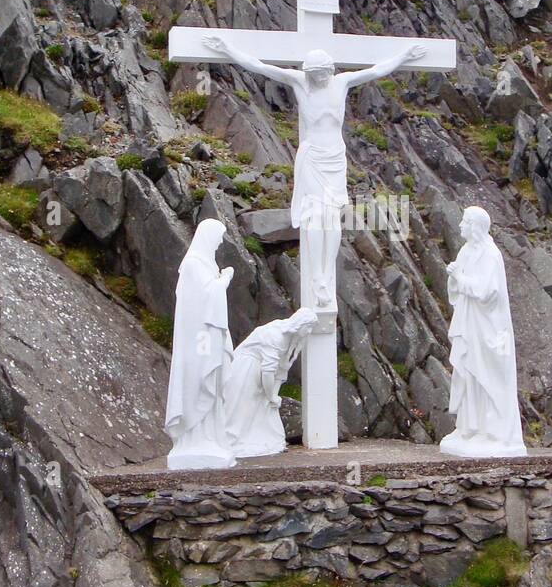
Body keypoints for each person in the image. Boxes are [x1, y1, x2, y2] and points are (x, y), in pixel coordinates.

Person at [203, 35, 424, 307]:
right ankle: (318, 277)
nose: (315, 79)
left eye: (319, 74)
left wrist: (404, 56)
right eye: (312, 74)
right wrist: (228, 48)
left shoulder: (341, 83)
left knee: (332, 218)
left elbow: (376, 70)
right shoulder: (299, 82)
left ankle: (325, 274)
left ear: (328, 71)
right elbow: (258, 66)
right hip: (312, 159)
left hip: (334, 159)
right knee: (316, 216)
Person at [440, 206, 526, 457]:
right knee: (468, 374)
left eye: (465, 222)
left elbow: (488, 292)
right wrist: (454, 278)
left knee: (486, 376)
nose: (460, 226)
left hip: (486, 327)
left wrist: (460, 278)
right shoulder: (466, 251)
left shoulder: (490, 254)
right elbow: (458, 289)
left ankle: (492, 431)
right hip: (469, 322)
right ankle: (469, 427)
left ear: (476, 226)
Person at [164, 219, 237, 469]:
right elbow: (201, 300)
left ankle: (211, 437)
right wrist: (224, 281)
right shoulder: (193, 265)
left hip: (209, 336)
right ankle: (195, 437)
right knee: (198, 382)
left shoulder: (206, 264)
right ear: (207, 237)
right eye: (217, 237)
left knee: (212, 385)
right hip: (198, 340)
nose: (219, 243)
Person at [223, 307, 318, 457]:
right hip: (246, 369)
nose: (308, 332)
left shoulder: (291, 339)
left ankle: (258, 438)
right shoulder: (276, 335)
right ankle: (232, 439)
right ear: (300, 324)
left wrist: (273, 395)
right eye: (308, 327)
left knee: (263, 410)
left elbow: (281, 370)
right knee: (242, 408)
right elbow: (268, 371)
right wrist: (270, 396)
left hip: (260, 372)